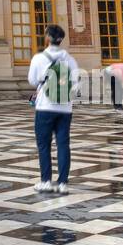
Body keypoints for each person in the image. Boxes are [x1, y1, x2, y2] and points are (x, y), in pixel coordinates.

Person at [27, 24, 78, 193]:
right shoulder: (70, 59)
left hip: (45, 107)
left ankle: (46, 181)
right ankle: (63, 183)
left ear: (48, 38)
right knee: (63, 144)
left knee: (44, 145)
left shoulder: (38, 58)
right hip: (65, 108)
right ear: (61, 40)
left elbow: (32, 81)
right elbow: (76, 84)